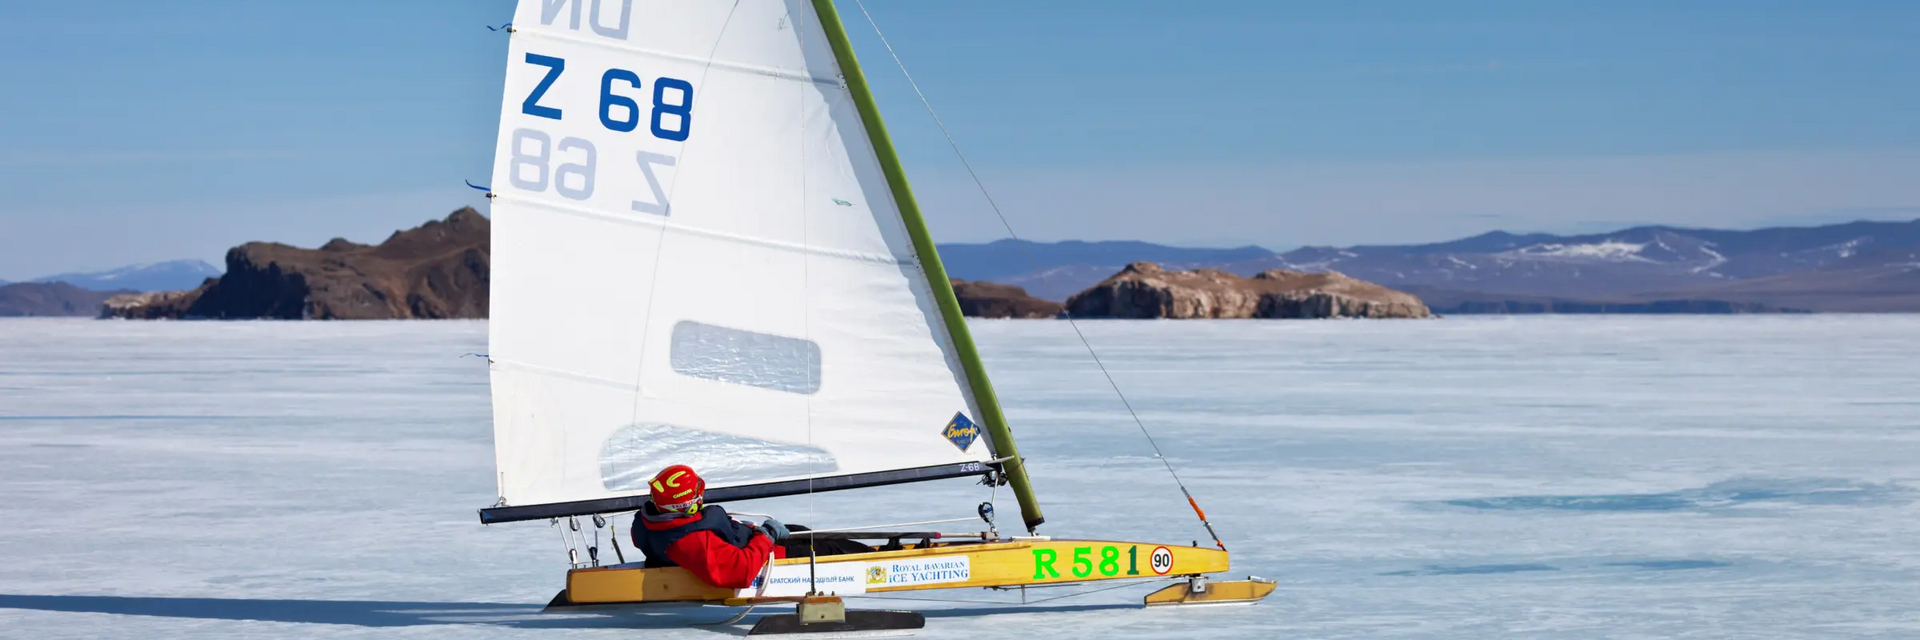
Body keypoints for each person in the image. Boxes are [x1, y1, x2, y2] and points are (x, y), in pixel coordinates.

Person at [631, 464, 790, 589]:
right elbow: (740, 572)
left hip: (745, 542)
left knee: (795, 529)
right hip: (764, 555)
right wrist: (766, 536)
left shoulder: (647, 523)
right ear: (686, 504)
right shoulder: (691, 541)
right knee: (802, 542)